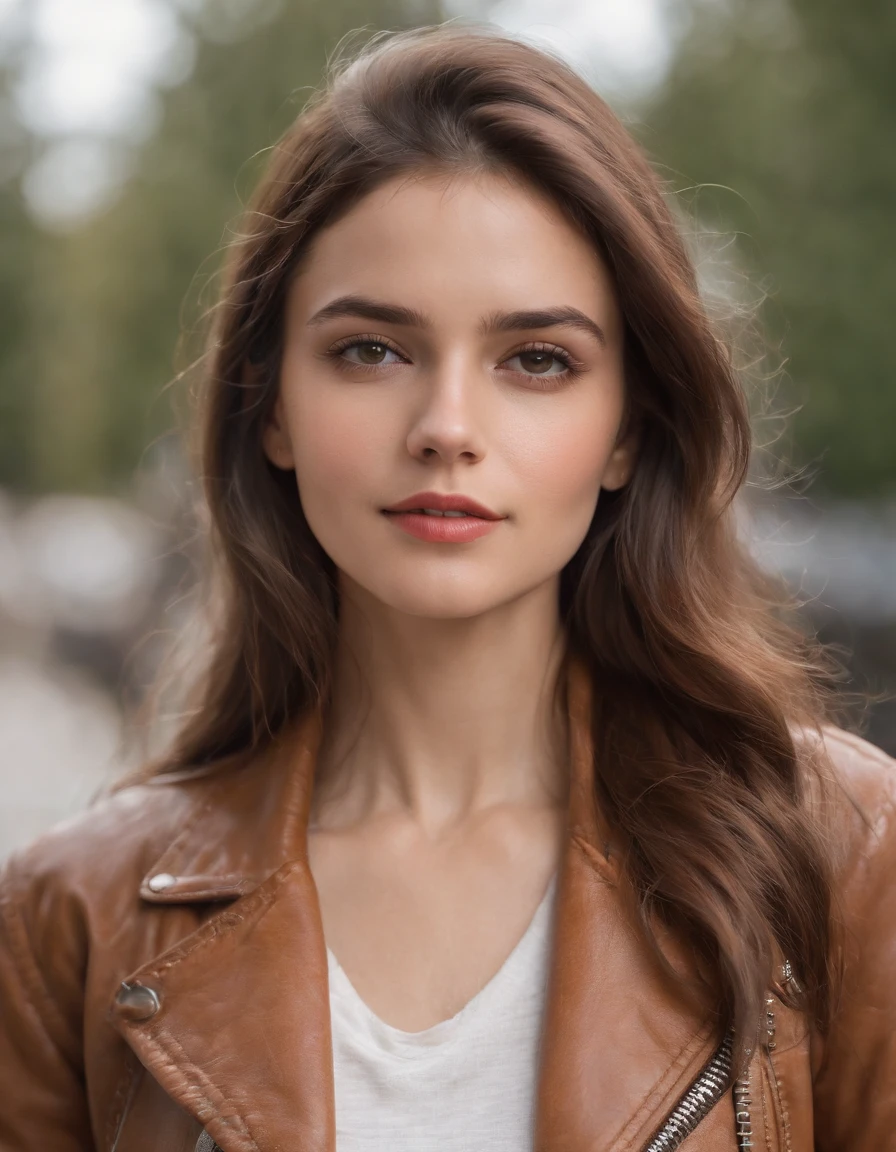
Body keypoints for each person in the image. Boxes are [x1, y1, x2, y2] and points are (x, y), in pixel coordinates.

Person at [1, 21, 894, 1152]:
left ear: (627, 430)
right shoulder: (72, 918)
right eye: (372, 350)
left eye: (537, 360)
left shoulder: (840, 854)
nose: (447, 428)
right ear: (271, 408)